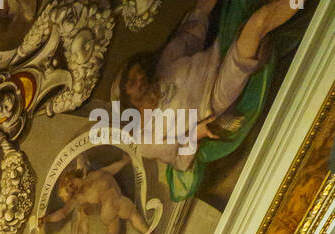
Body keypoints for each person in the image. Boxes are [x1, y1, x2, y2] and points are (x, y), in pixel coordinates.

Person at [117, 0, 303, 200]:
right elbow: (180, 159)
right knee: (258, 23)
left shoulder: (165, 67)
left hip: (218, 52)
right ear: (127, 100)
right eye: (132, 82)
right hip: (217, 93)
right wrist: (198, 132)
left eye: (139, 74)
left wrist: (203, 9)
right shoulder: (146, 138)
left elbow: (191, 34)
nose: (141, 80)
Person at [42, 155, 155, 234]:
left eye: (71, 185)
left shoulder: (94, 175)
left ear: (73, 176)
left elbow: (112, 169)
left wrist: (123, 162)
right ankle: (147, 233)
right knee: (132, 214)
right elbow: (62, 213)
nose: (73, 189)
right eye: (71, 192)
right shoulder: (79, 197)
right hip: (114, 202)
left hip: (107, 212)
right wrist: (46, 219)